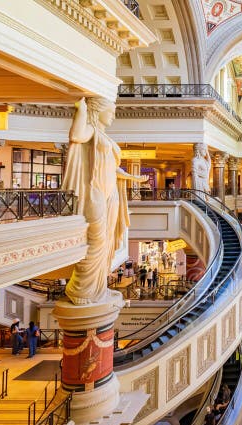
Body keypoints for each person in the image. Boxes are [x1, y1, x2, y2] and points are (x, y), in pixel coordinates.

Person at [61, 97, 146, 305]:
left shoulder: (104, 137)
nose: (114, 115)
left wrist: (133, 178)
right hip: (95, 194)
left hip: (110, 196)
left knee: (106, 242)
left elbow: (112, 168)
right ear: (98, 111)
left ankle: (98, 287)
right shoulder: (90, 130)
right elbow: (75, 135)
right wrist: (80, 109)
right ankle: (81, 289)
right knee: (96, 241)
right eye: (111, 111)